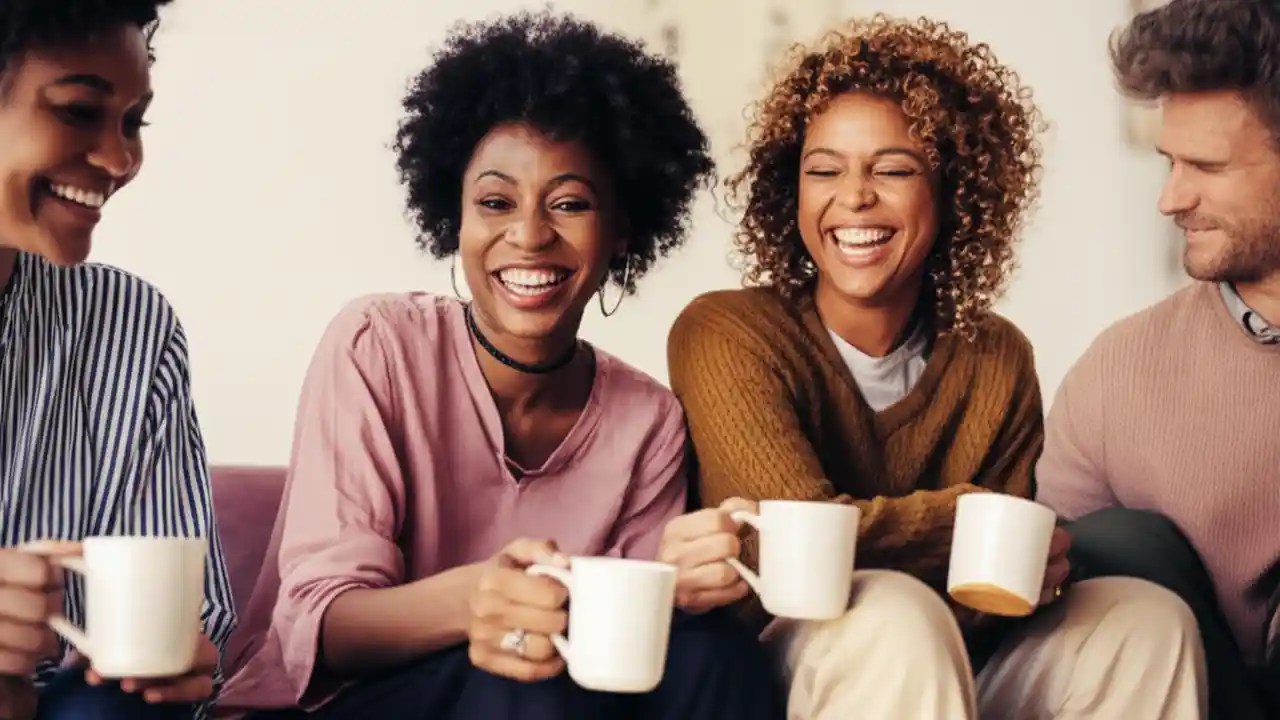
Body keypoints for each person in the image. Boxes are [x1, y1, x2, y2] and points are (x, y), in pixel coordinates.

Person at [215, 11, 780, 720]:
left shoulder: (647, 420)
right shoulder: (377, 345)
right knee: (527, 666)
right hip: (348, 704)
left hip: (551, 699)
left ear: (621, 230)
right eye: (495, 202)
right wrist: (472, 602)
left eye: (569, 203)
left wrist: (685, 581)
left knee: (716, 654)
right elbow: (326, 633)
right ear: (457, 219)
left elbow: (633, 645)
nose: (530, 235)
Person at [659, 13, 1207, 719]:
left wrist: (1027, 570)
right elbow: (788, 548)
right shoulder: (727, 332)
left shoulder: (996, 356)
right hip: (786, 666)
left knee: (1142, 619)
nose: (854, 196)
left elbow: (992, 594)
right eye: (823, 169)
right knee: (894, 609)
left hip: (953, 658)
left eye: (892, 169)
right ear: (787, 190)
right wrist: (966, 519)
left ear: (953, 190)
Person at [1034, 1, 1280, 717]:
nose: (1171, 199)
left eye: (1207, 166)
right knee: (1117, 545)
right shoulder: (1118, 375)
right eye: (1169, 162)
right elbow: (1062, 643)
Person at [0, 1, 237, 719]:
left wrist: (188, 661)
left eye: (134, 121)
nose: (120, 158)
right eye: (79, 111)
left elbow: (198, 617)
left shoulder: (133, 327)